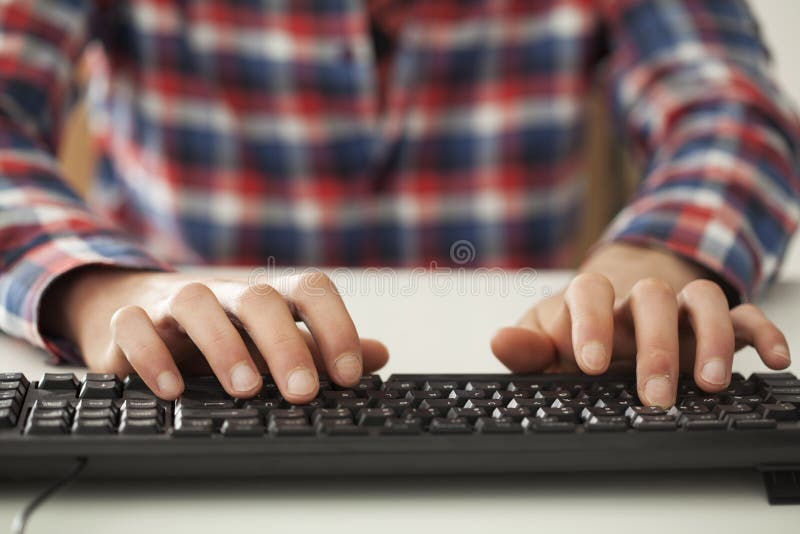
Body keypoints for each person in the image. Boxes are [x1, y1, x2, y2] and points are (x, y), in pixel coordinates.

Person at [0, 1, 797, 408]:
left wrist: (654, 259)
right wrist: (100, 288)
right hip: (187, 374)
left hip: (540, 382)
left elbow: (730, 110)